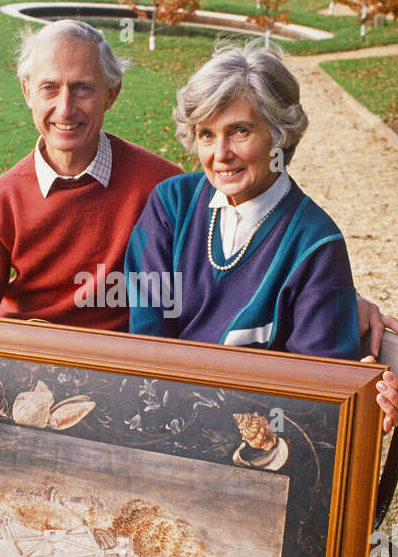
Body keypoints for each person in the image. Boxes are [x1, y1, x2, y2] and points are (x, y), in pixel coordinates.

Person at [0, 19, 398, 428]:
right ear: (28, 91)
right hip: (37, 381)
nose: (65, 107)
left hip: (141, 400)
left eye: (83, 89)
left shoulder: (157, 189)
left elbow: (278, 287)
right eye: (49, 88)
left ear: (112, 94)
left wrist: (339, 302)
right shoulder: (10, 201)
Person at [126, 42, 360, 359]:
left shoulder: (316, 244)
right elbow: (148, 343)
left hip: (257, 410)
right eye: (207, 134)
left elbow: (318, 385)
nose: (221, 155)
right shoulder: (170, 205)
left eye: (239, 131)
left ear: (279, 134)